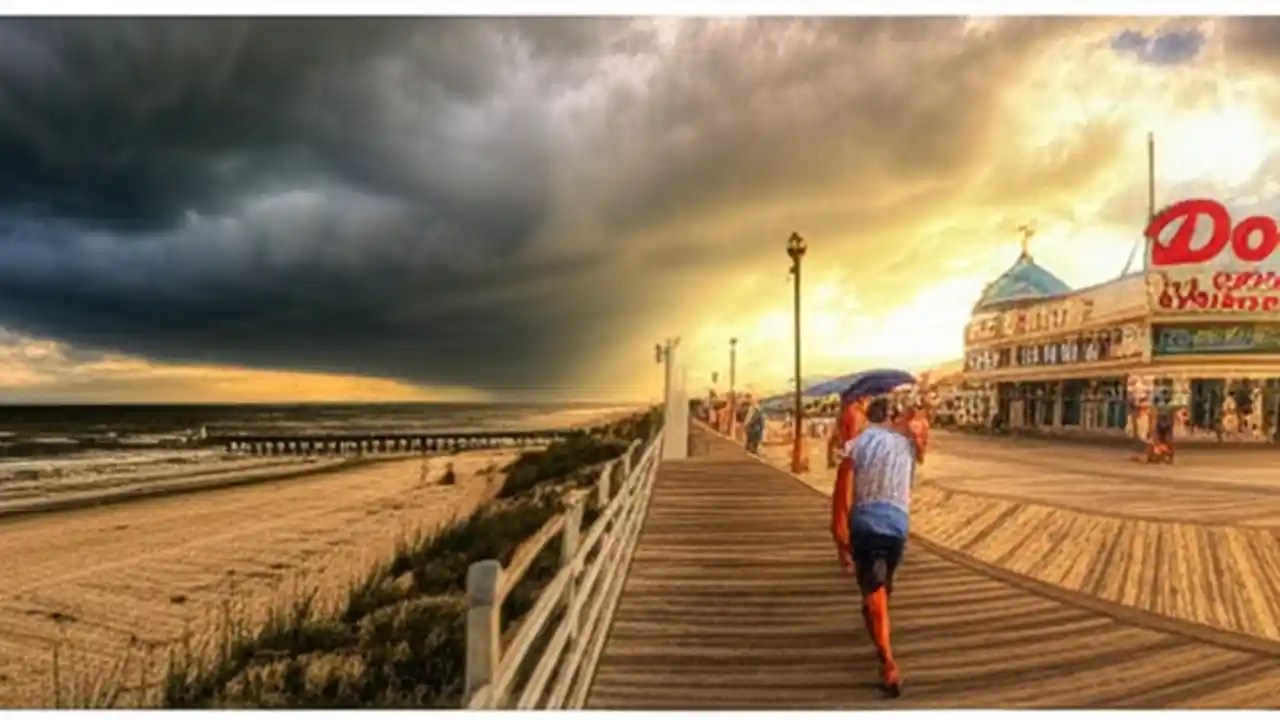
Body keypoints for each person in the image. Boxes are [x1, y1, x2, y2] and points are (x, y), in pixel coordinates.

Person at [842, 396, 919, 698]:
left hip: (866, 523)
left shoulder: (859, 443)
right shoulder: (907, 444)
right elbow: (922, 432)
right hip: (898, 525)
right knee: (881, 588)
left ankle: (887, 661)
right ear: (892, 416)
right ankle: (877, 621)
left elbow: (844, 471)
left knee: (875, 593)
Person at [830, 393, 870, 572]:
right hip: (853, 468)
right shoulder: (855, 414)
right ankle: (850, 554)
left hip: (849, 467)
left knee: (844, 508)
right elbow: (853, 443)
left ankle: (847, 554)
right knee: (850, 508)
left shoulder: (849, 412)